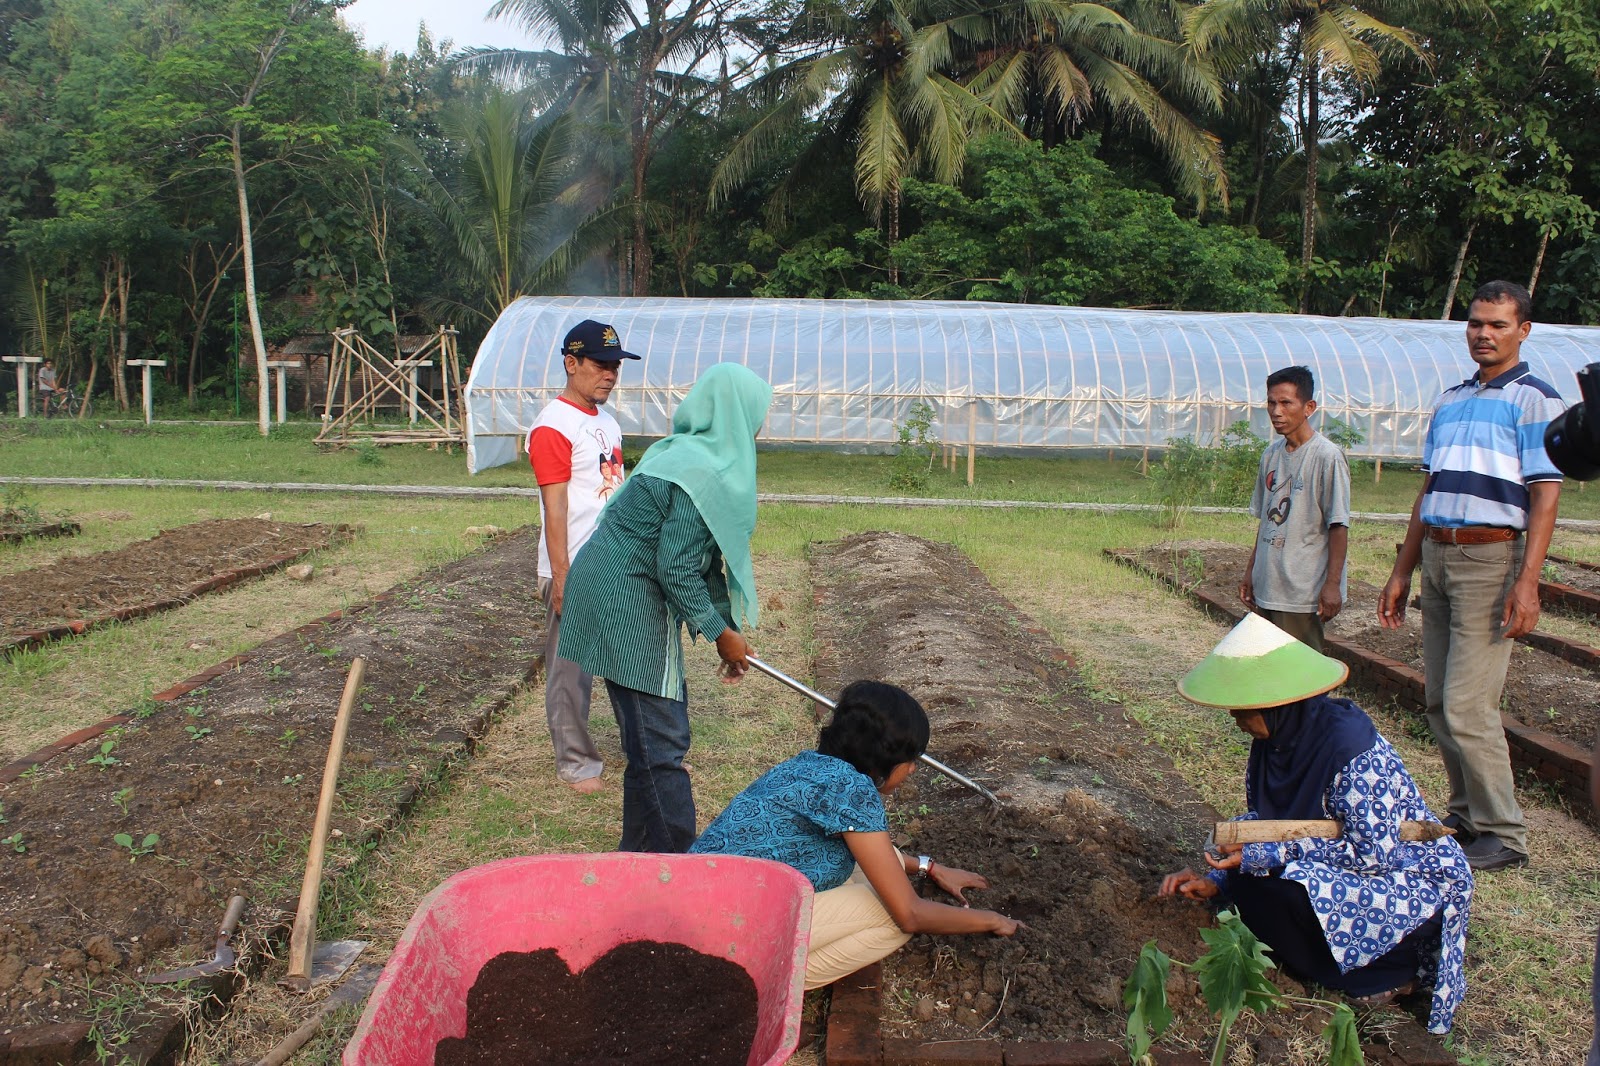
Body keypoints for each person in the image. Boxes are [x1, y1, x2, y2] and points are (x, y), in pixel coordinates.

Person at [1159, 613, 1473, 1036]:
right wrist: (1221, 876)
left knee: (1294, 895)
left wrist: (1268, 852)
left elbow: (1373, 854)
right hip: (1335, 859)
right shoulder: (1274, 742)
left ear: (1276, 703)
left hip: (1407, 876)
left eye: (1242, 707)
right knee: (1257, 882)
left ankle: (1392, 972)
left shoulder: (1350, 748)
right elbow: (1275, 825)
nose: (1235, 716)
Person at [1377, 280, 1564, 873]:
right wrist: (1402, 570)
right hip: (1439, 553)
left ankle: (1505, 834)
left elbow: (1545, 496)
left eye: (1499, 325)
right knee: (1437, 699)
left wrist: (1527, 580)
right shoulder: (1453, 398)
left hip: (1491, 559)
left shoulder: (1534, 399)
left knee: (1468, 704)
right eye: (1476, 323)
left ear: (1523, 331)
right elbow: (1427, 489)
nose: (1484, 334)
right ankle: (1465, 814)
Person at [558, 362, 772, 852]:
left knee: (648, 743)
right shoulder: (701, 470)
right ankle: (677, 862)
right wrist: (720, 634)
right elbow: (675, 567)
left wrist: (727, 627)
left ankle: (637, 856)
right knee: (662, 741)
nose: (760, 424)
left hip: (618, 583)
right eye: (756, 412)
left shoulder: (684, 453)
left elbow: (701, 557)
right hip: (623, 595)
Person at [691, 680, 1022, 988]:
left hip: (694, 907)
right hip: (724, 935)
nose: (913, 770)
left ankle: (751, 967)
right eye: (911, 759)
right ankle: (760, 982)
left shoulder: (808, 765)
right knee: (889, 915)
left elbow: (873, 851)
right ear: (886, 756)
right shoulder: (854, 790)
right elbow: (911, 914)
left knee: (863, 870)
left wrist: (928, 867)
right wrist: (991, 920)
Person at [526, 319, 638, 794]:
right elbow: (556, 508)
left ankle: (646, 752)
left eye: (615, 366)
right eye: (600, 365)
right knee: (571, 670)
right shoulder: (554, 426)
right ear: (571, 364)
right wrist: (561, 575)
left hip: (614, 562)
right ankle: (575, 761)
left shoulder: (607, 423)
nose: (609, 374)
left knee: (630, 660)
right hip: (573, 564)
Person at [1239, 365, 1351, 652]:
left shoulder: (1326, 457)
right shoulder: (1271, 455)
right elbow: (1267, 519)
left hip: (1301, 591)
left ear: (1308, 407)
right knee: (1265, 669)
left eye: (1286, 403)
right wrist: (1252, 571)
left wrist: (1333, 585)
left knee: (1299, 674)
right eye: (1271, 402)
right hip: (1268, 585)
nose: (1276, 411)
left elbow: (1338, 526)